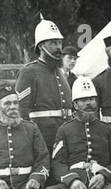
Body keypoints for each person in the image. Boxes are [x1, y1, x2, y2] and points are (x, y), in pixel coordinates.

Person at [14, 14, 73, 153]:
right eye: (53, 43)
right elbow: (21, 110)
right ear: (41, 46)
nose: (58, 47)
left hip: (66, 138)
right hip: (42, 140)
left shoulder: (60, 72)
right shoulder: (29, 72)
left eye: (59, 42)